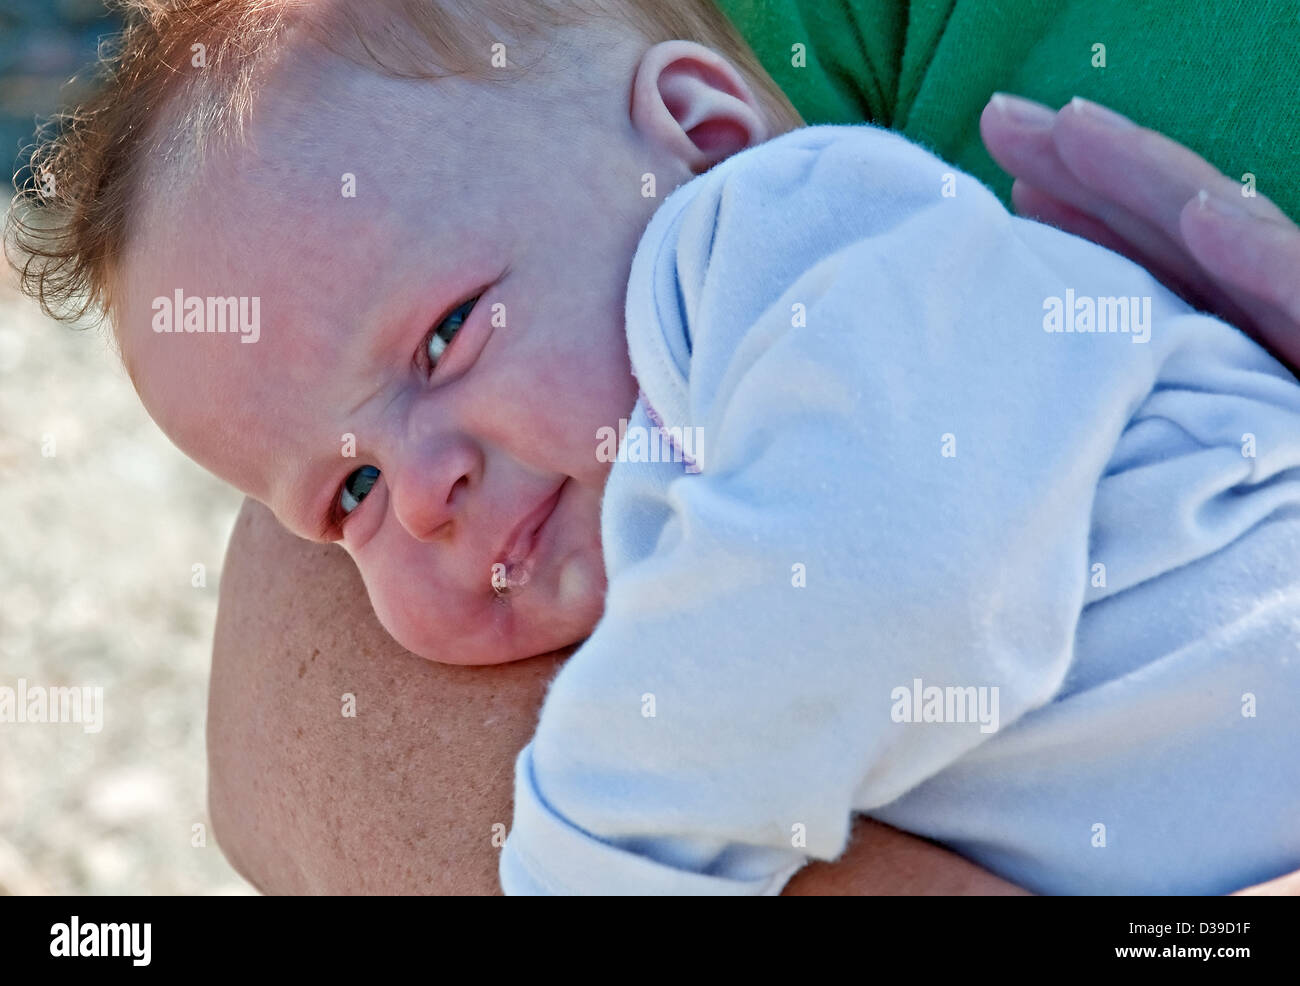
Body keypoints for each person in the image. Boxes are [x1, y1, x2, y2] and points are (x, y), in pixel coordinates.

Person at [9, 0, 1300, 894]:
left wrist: (586, 856)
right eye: (347, 491)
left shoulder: (803, 237)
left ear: (704, 135)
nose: (425, 488)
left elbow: (890, 575)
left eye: (446, 338)